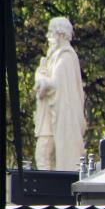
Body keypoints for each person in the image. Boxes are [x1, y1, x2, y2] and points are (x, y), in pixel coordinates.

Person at [33, 17, 86, 171]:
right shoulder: (54, 56)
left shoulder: (66, 57)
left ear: (61, 34)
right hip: (50, 116)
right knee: (42, 155)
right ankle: (46, 184)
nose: (48, 36)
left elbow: (56, 85)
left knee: (44, 154)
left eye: (51, 33)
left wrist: (41, 79)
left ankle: (52, 183)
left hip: (62, 115)